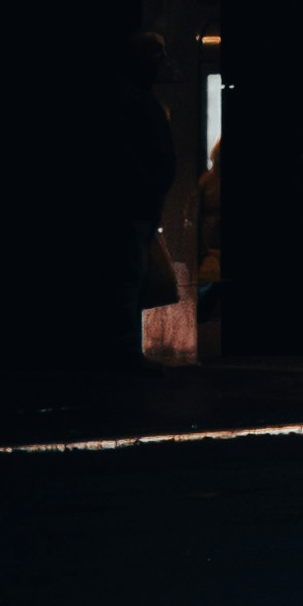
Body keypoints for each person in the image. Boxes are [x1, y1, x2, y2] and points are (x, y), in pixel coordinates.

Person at [100, 34, 180, 369]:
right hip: (134, 202)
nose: (160, 62)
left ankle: (124, 349)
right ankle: (123, 351)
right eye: (155, 55)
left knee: (129, 275)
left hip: (137, 200)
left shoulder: (127, 96)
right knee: (128, 275)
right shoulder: (132, 99)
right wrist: (150, 186)